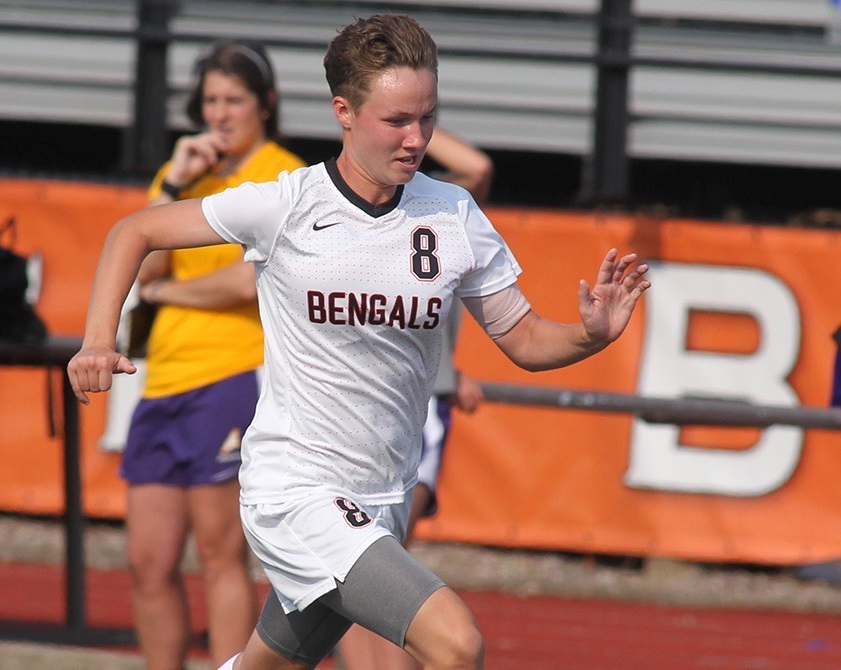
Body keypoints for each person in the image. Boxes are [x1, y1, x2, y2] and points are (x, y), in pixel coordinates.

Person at [68, 14, 650, 670]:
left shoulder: (452, 215)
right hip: (295, 493)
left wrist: (590, 335)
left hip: (381, 498)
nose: (417, 138)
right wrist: (96, 340)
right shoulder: (287, 204)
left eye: (427, 118)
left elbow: (525, 338)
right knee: (456, 644)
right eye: (396, 120)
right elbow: (133, 232)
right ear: (344, 112)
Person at [121, 40, 305, 670]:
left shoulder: (286, 176)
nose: (220, 114)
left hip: (232, 378)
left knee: (221, 553)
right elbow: (143, 267)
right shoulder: (184, 173)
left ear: (267, 105)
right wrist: (172, 183)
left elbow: (249, 282)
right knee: (148, 559)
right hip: (164, 382)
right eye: (209, 102)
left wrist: (170, 290)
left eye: (234, 100)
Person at [334, 126, 492, 670]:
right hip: (339, 419)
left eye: (421, 120)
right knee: (347, 577)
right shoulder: (321, 204)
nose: (412, 137)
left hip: (414, 415)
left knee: (378, 564)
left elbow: (475, 168)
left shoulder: (439, 207)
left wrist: (395, 120)